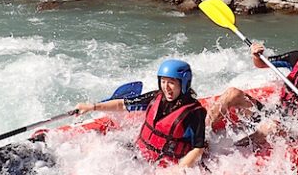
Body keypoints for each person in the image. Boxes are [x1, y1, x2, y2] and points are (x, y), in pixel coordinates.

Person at [206, 20, 298, 141]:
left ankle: (233, 153)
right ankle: (200, 137)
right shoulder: (296, 57)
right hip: (278, 113)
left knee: (270, 126)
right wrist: (256, 55)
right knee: (233, 93)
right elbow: (261, 63)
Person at [75, 59, 207, 168]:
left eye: (171, 83)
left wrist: (178, 170)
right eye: (163, 82)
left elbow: (198, 148)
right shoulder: (155, 97)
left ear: (183, 83)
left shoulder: (194, 113)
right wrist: (92, 107)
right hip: (139, 153)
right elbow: (122, 104)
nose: (166, 87)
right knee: (103, 150)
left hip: (166, 166)